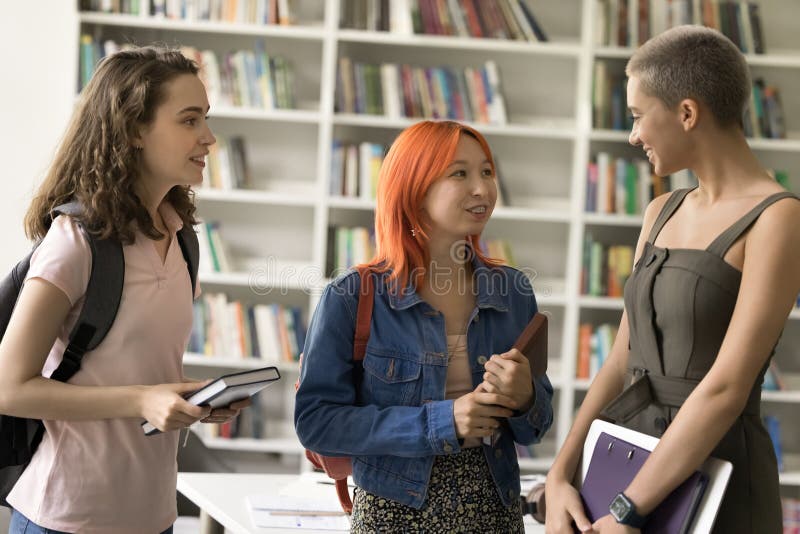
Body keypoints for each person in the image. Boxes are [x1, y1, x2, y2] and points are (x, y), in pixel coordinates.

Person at [544, 25, 800, 534]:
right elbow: (620, 359)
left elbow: (727, 386)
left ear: (687, 113)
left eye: (638, 116)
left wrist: (629, 510)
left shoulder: (779, 218)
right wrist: (560, 472)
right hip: (626, 462)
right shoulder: (661, 210)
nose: (633, 134)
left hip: (715, 481)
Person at [0, 46, 246, 533]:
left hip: (154, 517)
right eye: (189, 120)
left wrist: (189, 399)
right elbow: (8, 387)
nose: (209, 137)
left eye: (206, 119)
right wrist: (140, 400)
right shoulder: (75, 243)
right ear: (135, 129)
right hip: (67, 517)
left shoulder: (182, 238)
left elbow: (134, 367)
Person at [295, 120, 554, 532]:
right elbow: (317, 423)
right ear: (414, 188)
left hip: (496, 513)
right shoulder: (352, 295)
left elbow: (537, 426)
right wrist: (442, 422)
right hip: (392, 515)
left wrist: (526, 399)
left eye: (487, 171)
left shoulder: (513, 290)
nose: (482, 188)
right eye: (460, 173)